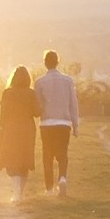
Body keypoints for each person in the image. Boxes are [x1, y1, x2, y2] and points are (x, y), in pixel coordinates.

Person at [34, 50, 80, 194]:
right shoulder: (68, 81)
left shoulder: (39, 82)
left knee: (47, 155)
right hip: (63, 123)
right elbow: (73, 103)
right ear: (58, 62)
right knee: (63, 153)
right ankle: (62, 179)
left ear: (45, 63)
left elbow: (37, 105)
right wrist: (75, 125)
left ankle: (49, 188)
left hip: (47, 123)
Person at [0, 65, 38, 195]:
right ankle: (19, 193)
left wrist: (1, 128)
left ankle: (16, 192)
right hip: (27, 130)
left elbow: (3, 113)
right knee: (24, 160)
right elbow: (37, 112)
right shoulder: (31, 93)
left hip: (11, 129)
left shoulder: (7, 93)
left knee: (12, 160)